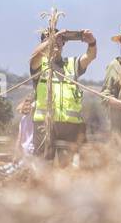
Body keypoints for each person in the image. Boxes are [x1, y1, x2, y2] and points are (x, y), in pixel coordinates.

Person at [29, 29, 97, 158]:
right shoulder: (39, 65)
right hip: (44, 124)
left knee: (67, 169)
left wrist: (92, 42)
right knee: (42, 167)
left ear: (64, 42)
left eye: (60, 38)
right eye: (48, 38)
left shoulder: (72, 64)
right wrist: (52, 39)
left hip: (70, 126)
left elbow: (90, 56)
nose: (55, 41)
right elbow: (34, 57)